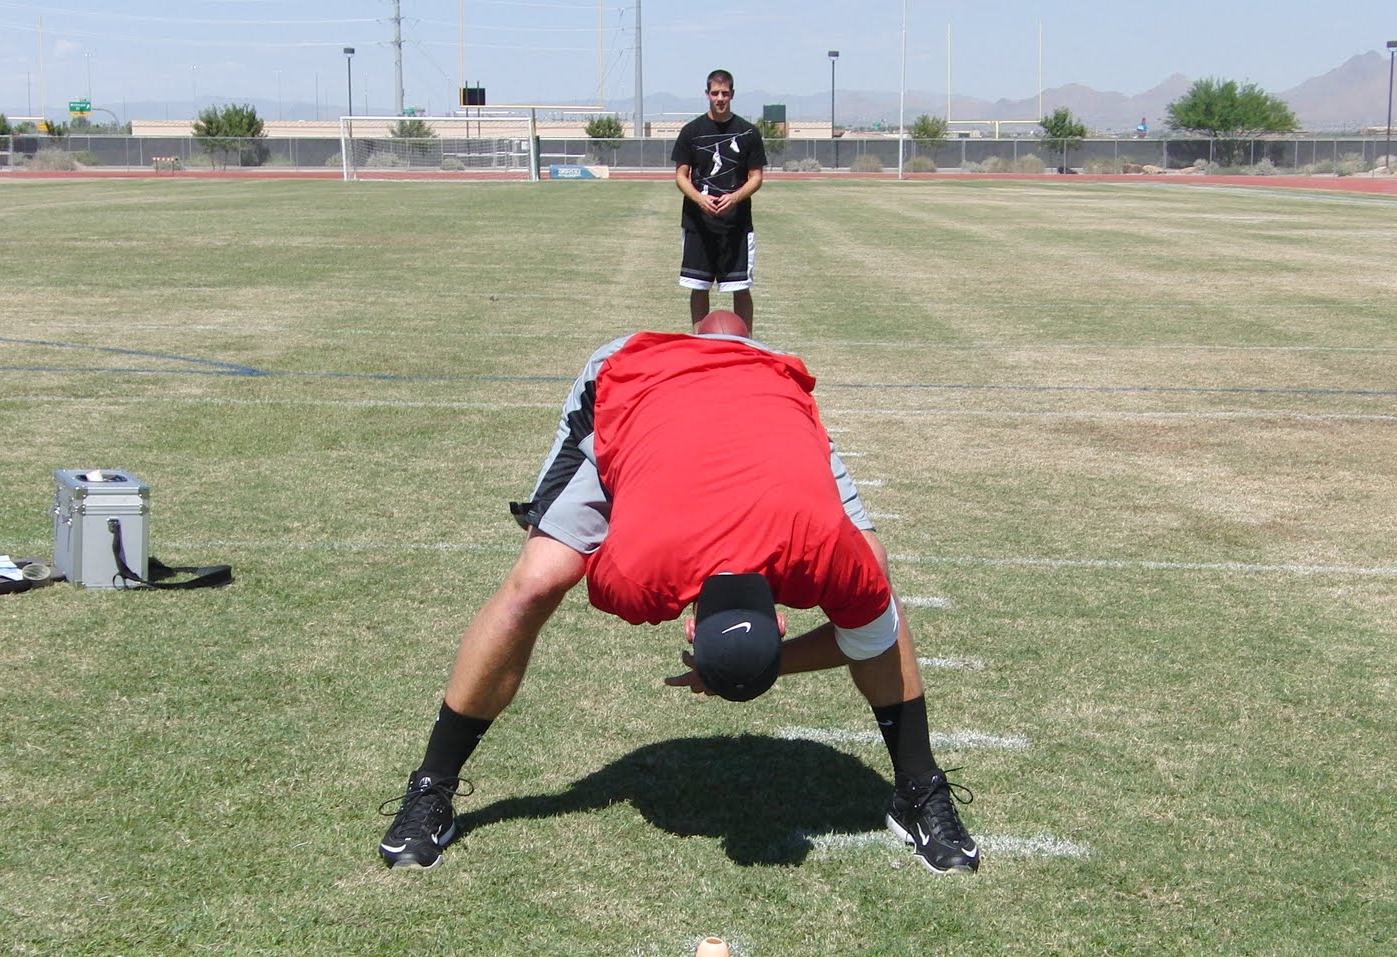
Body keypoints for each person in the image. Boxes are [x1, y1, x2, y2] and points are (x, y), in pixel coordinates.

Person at [377, 312, 979, 875]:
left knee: (873, 573)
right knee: (537, 581)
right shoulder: (637, 575)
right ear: (776, 622)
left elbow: (872, 625)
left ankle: (918, 789)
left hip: (762, 381)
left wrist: (762, 659)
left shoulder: (817, 556)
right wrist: (750, 664)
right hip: (641, 379)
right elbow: (870, 633)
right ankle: (432, 783)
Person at [671, 69, 767, 333]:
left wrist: (734, 198)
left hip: (736, 225)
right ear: (707, 94)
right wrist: (699, 199)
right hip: (698, 224)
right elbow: (680, 176)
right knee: (698, 286)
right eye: (715, 93)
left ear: (732, 94)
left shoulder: (748, 133)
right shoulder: (691, 131)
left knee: (741, 287)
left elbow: (756, 177)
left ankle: (746, 343)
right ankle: (699, 342)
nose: (720, 98)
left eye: (725, 93)